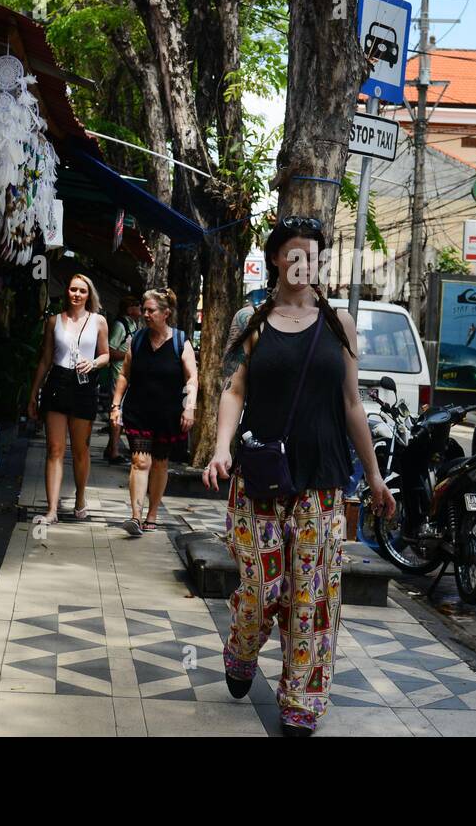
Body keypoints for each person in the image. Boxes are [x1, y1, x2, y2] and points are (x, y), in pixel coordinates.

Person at [203, 216, 396, 737]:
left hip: (323, 482)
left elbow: (353, 404)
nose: (302, 264)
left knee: (311, 597)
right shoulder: (254, 319)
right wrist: (221, 449)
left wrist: (375, 477)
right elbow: (234, 391)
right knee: (263, 587)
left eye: (311, 256)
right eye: (293, 254)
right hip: (260, 480)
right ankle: (242, 648)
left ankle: (303, 700)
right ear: (275, 260)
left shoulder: (340, 326)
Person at [110, 288, 198, 536]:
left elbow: (192, 378)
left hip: (168, 414)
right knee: (140, 460)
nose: (146, 314)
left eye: (151, 310)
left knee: (160, 463)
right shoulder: (137, 340)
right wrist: (116, 405)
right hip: (138, 411)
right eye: (144, 309)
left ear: (165, 313)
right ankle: (135, 517)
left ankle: (152, 513)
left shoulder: (181, 341)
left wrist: (189, 407)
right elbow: (124, 374)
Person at [27, 274, 110, 524]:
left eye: (82, 291)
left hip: (84, 384)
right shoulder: (54, 321)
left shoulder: (98, 321)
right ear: (67, 292)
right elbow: (45, 359)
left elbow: (106, 354)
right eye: (73, 289)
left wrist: (93, 362)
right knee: (54, 449)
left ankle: (80, 498)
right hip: (58, 382)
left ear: (89, 295)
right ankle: (51, 510)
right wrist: (33, 394)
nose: (76, 294)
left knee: (80, 450)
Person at [103, 295, 142, 465]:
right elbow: (109, 351)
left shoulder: (133, 325)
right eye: (137, 305)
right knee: (117, 414)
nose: (141, 309)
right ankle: (114, 452)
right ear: (129, 309)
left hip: (128, 377)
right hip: (118, 375)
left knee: (120, 415)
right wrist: (130, 356)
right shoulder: (120, 325)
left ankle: (110, 448)